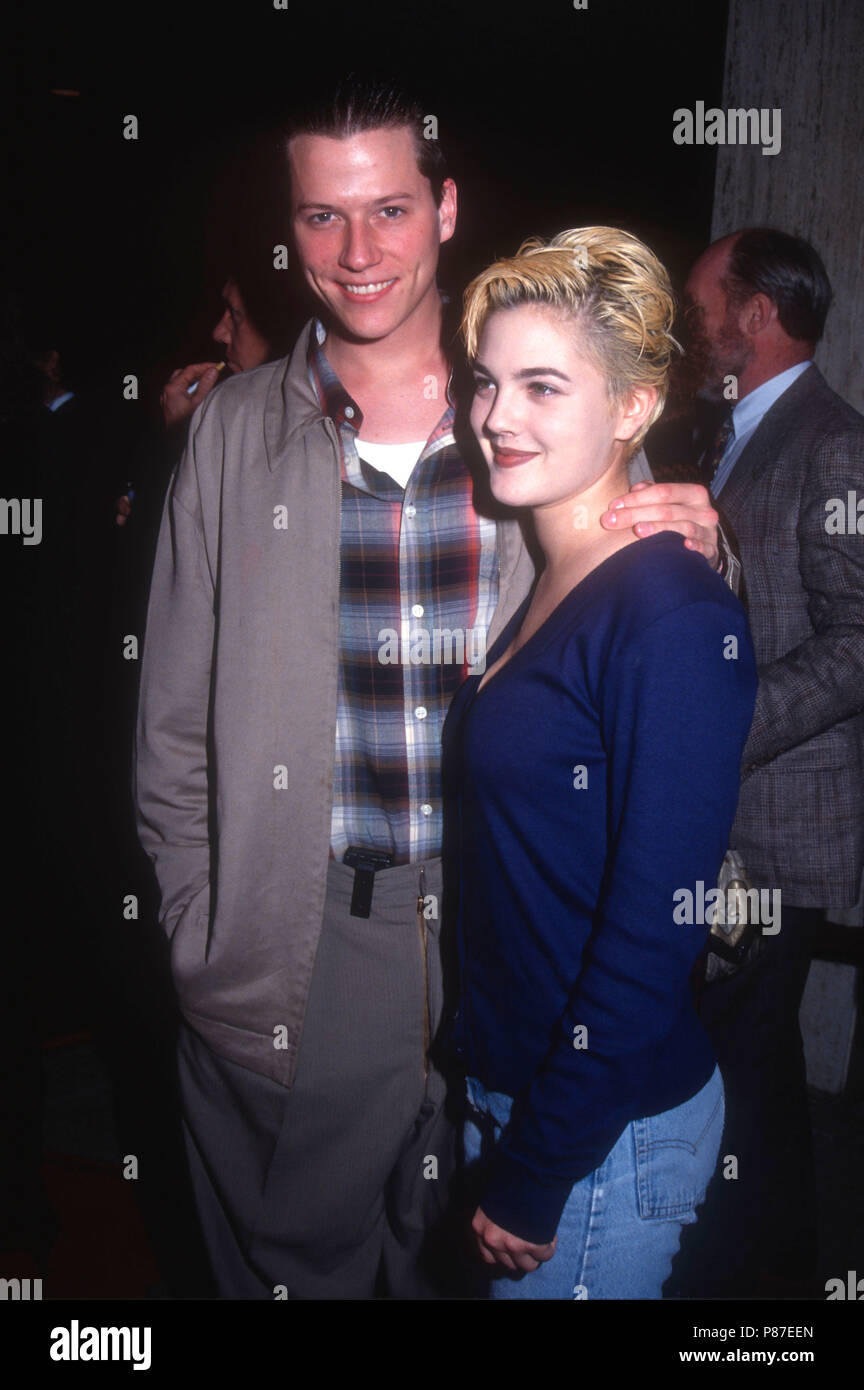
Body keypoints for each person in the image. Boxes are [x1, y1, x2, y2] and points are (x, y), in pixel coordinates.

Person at [134, 76, 726, 1300]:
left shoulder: (540, 405)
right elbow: (170, 732)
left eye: (391, 210)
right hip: (298, 938)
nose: (358, 254)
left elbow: (672, 651)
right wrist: (205, 932)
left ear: (448, 209)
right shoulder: (234, 434)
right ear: (286, 231)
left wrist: (715, 545)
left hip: (505, 942)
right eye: (321, 218)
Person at [441, 226, 758, 1299]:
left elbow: (653, 927)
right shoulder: (552, 568)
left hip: (597, 1140)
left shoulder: (664, 604)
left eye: (541, 386)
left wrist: (537, 1169)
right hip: (532, 1098)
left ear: (632, 407)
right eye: (487, 383)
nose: (496, 417)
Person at [674, 228, 864, 1298]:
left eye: (703, 301)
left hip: (781, 829)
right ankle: (776, 1280)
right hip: (731, 819)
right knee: (754, 1075)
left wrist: (725, 723)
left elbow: (861, 637)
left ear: (754, 315)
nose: (689, 323)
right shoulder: (733, 434)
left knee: (740, 1075)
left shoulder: (834, 442)